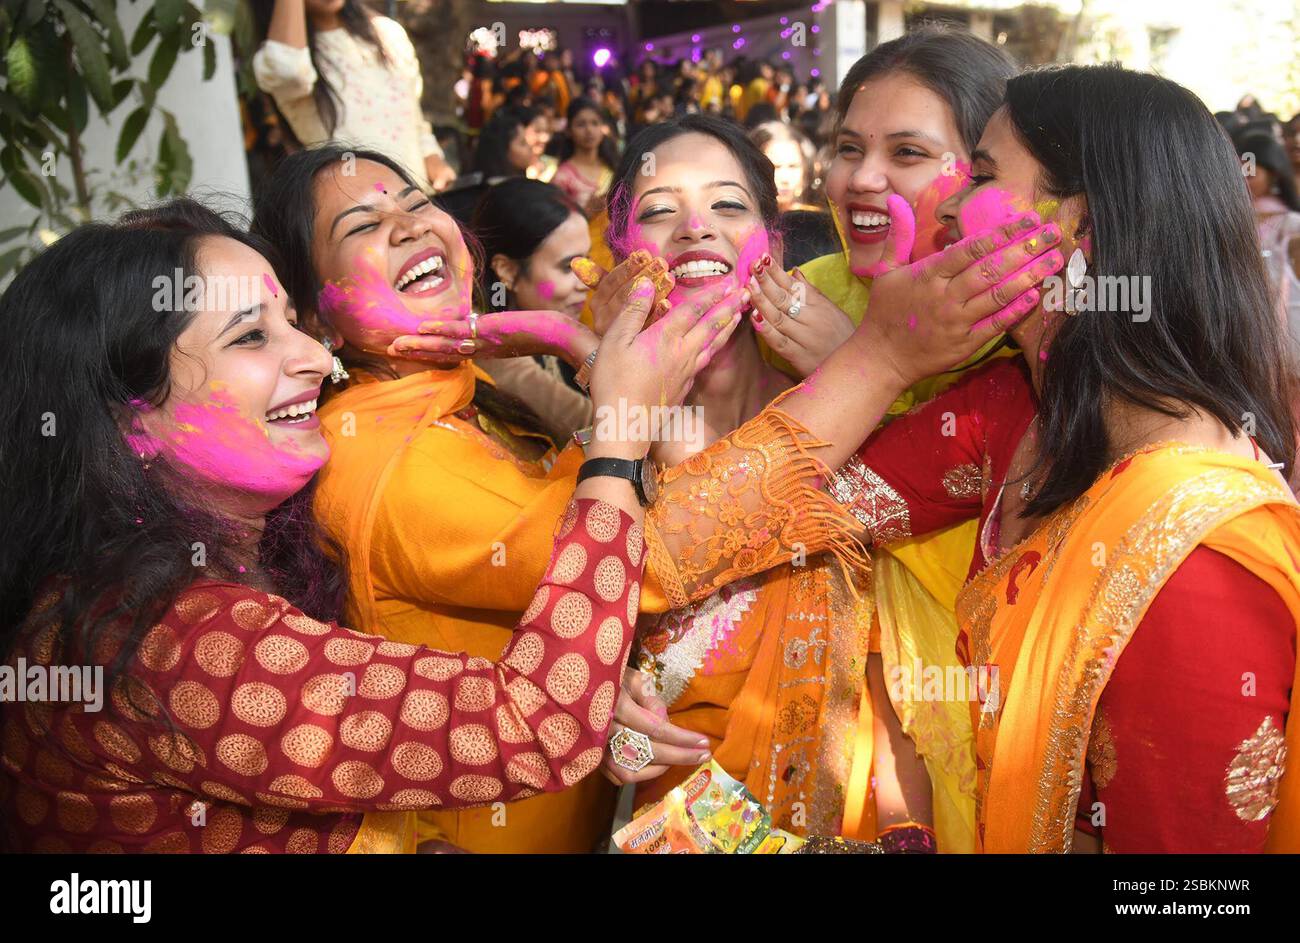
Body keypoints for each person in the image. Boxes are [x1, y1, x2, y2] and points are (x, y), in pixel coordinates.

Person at [248, 144, 898, 852]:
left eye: (414, 201)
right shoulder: (391, 459)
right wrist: (880, 364)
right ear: (313, 317)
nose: (409, 227)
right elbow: (633, 552)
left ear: (771, 241)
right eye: (362, 226)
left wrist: (574, 345)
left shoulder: (460, 391)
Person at [0, 197, 692, 853]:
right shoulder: (171, 641)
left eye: (292, 321)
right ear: (130, 419)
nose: (311, 357)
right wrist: (620, 434)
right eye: (251, 336)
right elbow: (539, 724)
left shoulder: (230, 550)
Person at [833, 64, 1300, 852]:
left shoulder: (1200, 561)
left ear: (1076, 224)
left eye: (980, 173)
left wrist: (874, 362)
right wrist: (871, 361)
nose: (946, 204)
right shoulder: (1018, 412)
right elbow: (788, 512)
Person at [578, 113, 1060, 845]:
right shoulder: (600, 469)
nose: (695, 229)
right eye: (657, 210)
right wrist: (592, 700)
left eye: (727, 205)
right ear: (620, 256)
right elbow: (561, 642)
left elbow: (890, 676)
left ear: (771, 247)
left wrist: (907, 830)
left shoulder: (851, 433)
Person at [252, 0, 454, 191]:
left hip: (416, 196)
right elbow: (289, 70)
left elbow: (414, 119)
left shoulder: (386, 33)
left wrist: (432, 158)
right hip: (360, 208)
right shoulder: (279, 61)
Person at [471, 178, 595, 438]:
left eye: (588, 260)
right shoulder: (492, 349)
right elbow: (600, 426)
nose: (587, 280)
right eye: (567, 267)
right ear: (507, 270)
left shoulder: (560, 313)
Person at [1235, 132, 1300, 363]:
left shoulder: (1290, 225)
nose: (1243, 177)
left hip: (1282, 332)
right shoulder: (1232, 218)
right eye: (1239, 169)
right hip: (1243, 327)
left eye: (1251, 172)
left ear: (1272, 174)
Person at [552, 98, 620, 219]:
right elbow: (554, 223)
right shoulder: (562, 177)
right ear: (568, 131)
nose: (589, 130)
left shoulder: (614, 166)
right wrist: (586, 213)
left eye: (595, 123)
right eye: (581, 124)